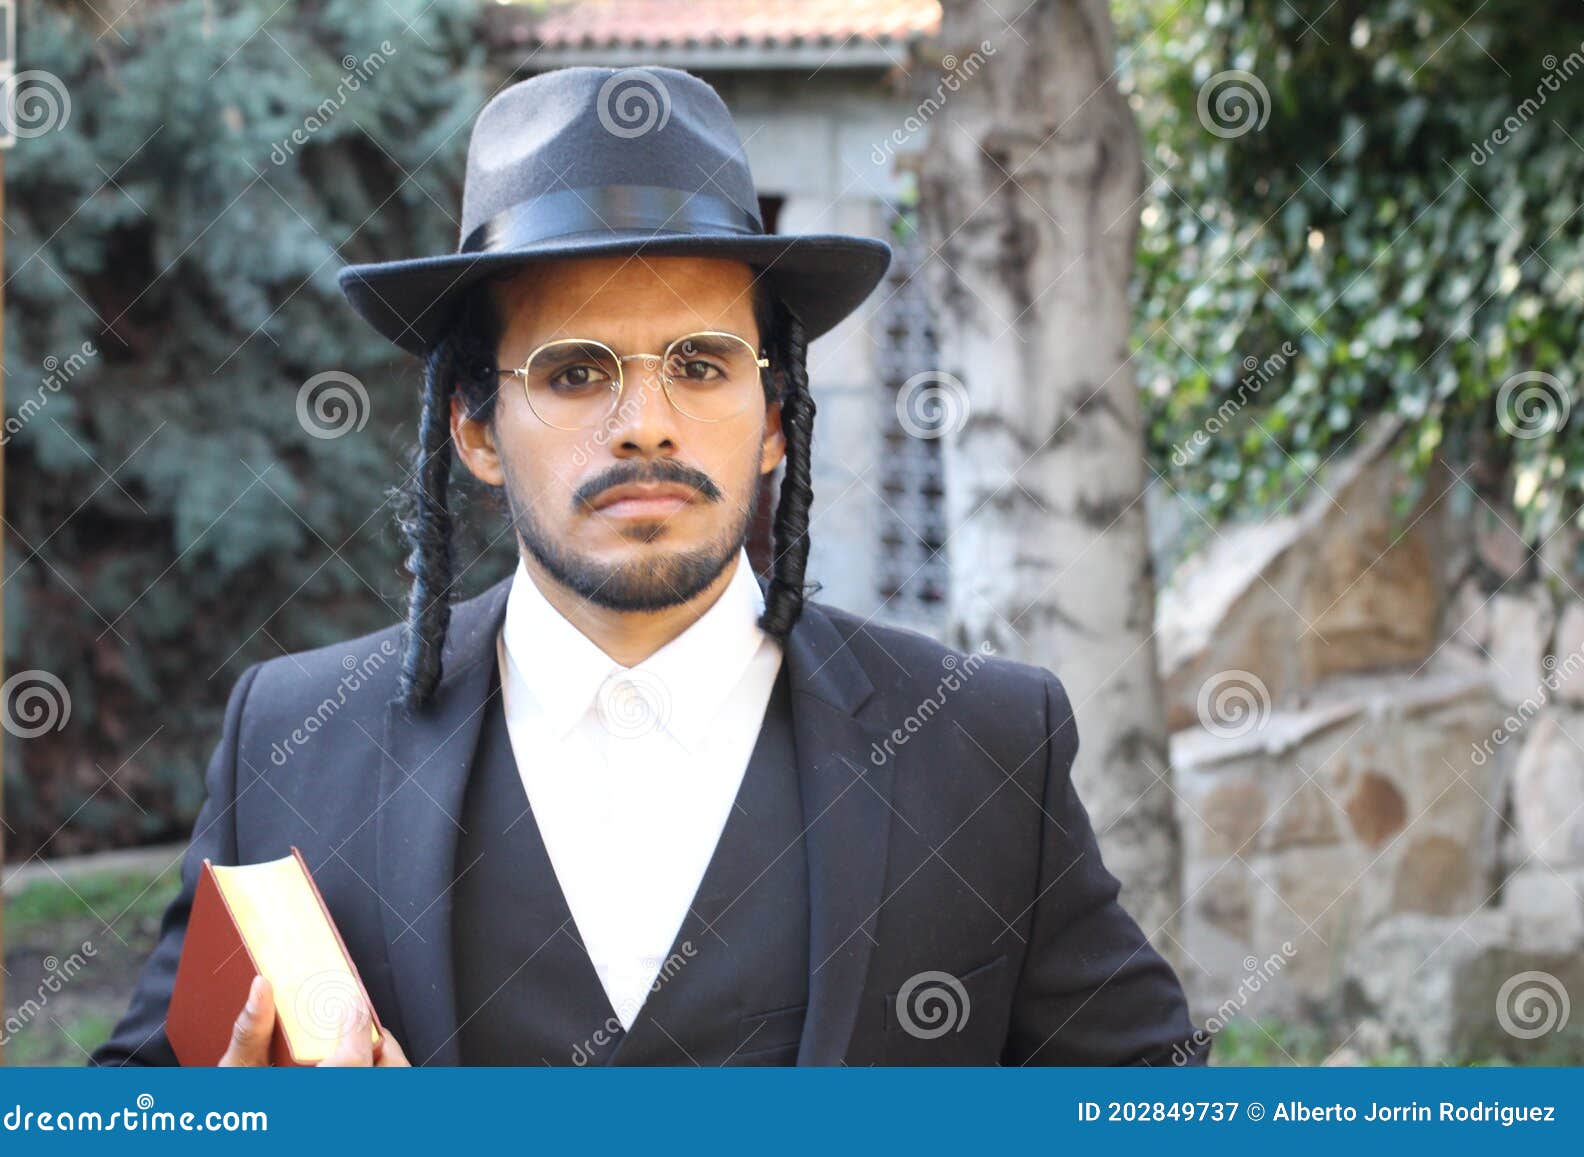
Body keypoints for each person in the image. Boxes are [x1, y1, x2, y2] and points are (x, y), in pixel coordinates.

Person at [92, 65, 1206, 1067]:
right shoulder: (294, 746)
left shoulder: (982, 749)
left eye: (700, 363)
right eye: (576, 372)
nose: (645, 424)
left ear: (774, 417)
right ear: (476, 430)